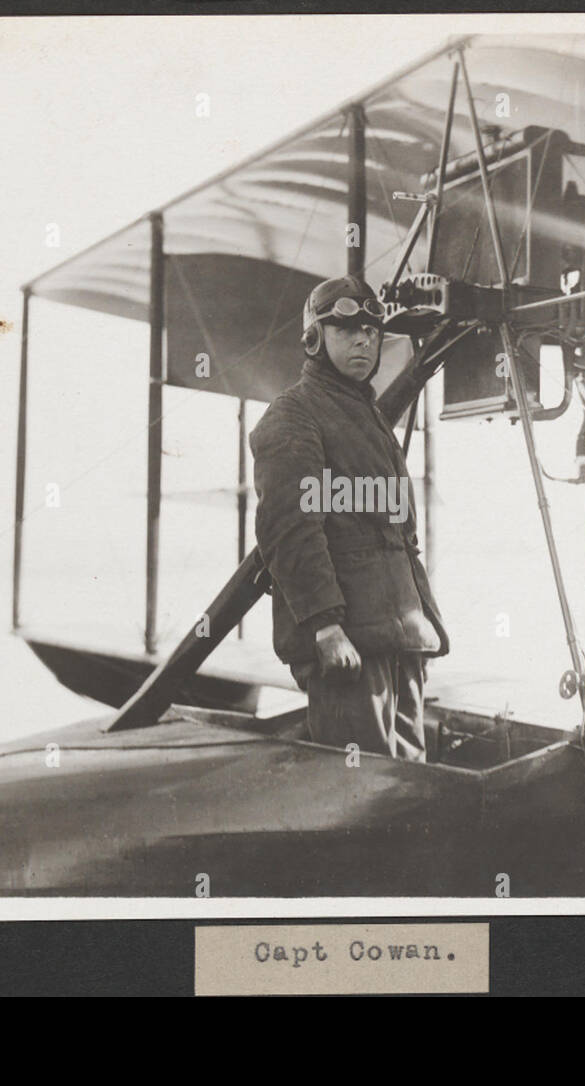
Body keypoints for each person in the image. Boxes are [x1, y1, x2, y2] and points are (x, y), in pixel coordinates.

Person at [249, 275, 449, 761]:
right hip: (351, 644)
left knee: (408, 777)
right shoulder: (294, 415)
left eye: (372, 330)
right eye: (346, 329)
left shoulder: (363, 413)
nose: (364, 339)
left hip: (400, 632)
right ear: (316, 339)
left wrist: (421, 617)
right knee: (365, 782)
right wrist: (325, 627)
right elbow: (291, 530)